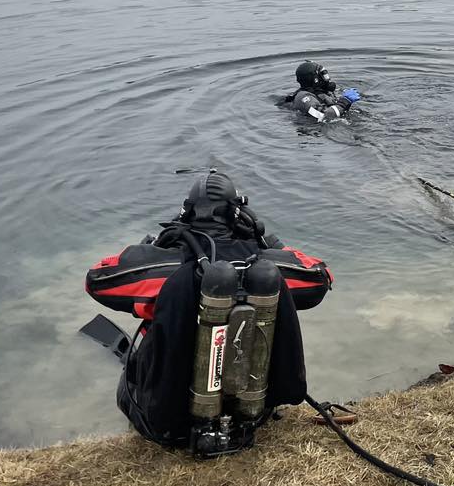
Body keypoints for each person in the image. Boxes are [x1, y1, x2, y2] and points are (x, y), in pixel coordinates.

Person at [84, 170, 331, 453]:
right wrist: (271, 243)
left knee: (138, 353)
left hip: (167, 421)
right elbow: (321, 276)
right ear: (237, 214)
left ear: (188, 212)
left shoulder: (160, 268)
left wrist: (151, 246)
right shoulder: (265, 269)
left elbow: (96, 279)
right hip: (252, 413)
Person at [282, 60, 361, 122]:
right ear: (315, 79)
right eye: (323, 75)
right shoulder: (303, 97)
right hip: (315, 129)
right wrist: (344, 102)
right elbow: (321, 115)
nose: (327, 78)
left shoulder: (322, 92)